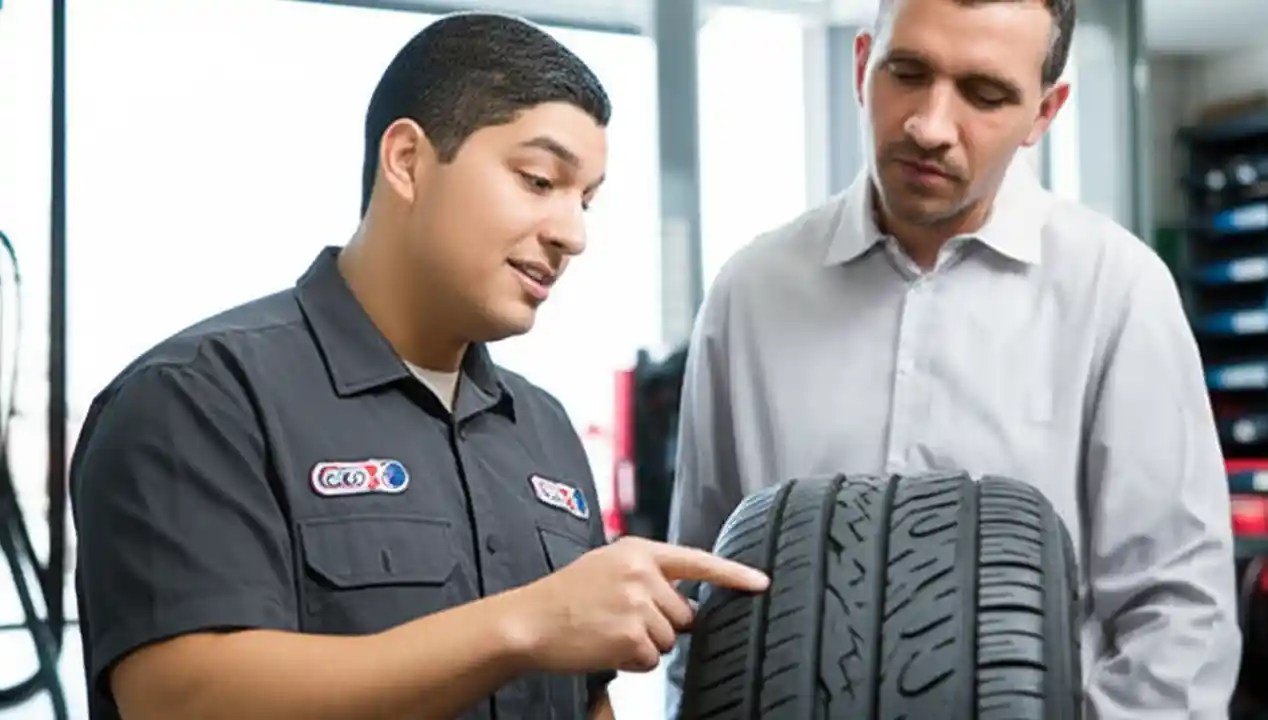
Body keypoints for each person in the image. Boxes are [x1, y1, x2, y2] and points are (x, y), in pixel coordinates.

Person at [70, 13, 768, 720]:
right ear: (406, 160)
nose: (573, 234)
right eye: (538, 180)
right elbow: (179, 698)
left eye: (585, 200)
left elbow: (585, 699)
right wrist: (523, 625)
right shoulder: (199, 397)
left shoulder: (543, 430)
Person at [665, 0, 1240, 717]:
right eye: (907, 72)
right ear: (861, 66)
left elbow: (1178, 609)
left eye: (985, 94)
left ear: (1044, 113)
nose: (929, 126)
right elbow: (701, 585)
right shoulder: (751, 291)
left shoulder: (1116, 291)